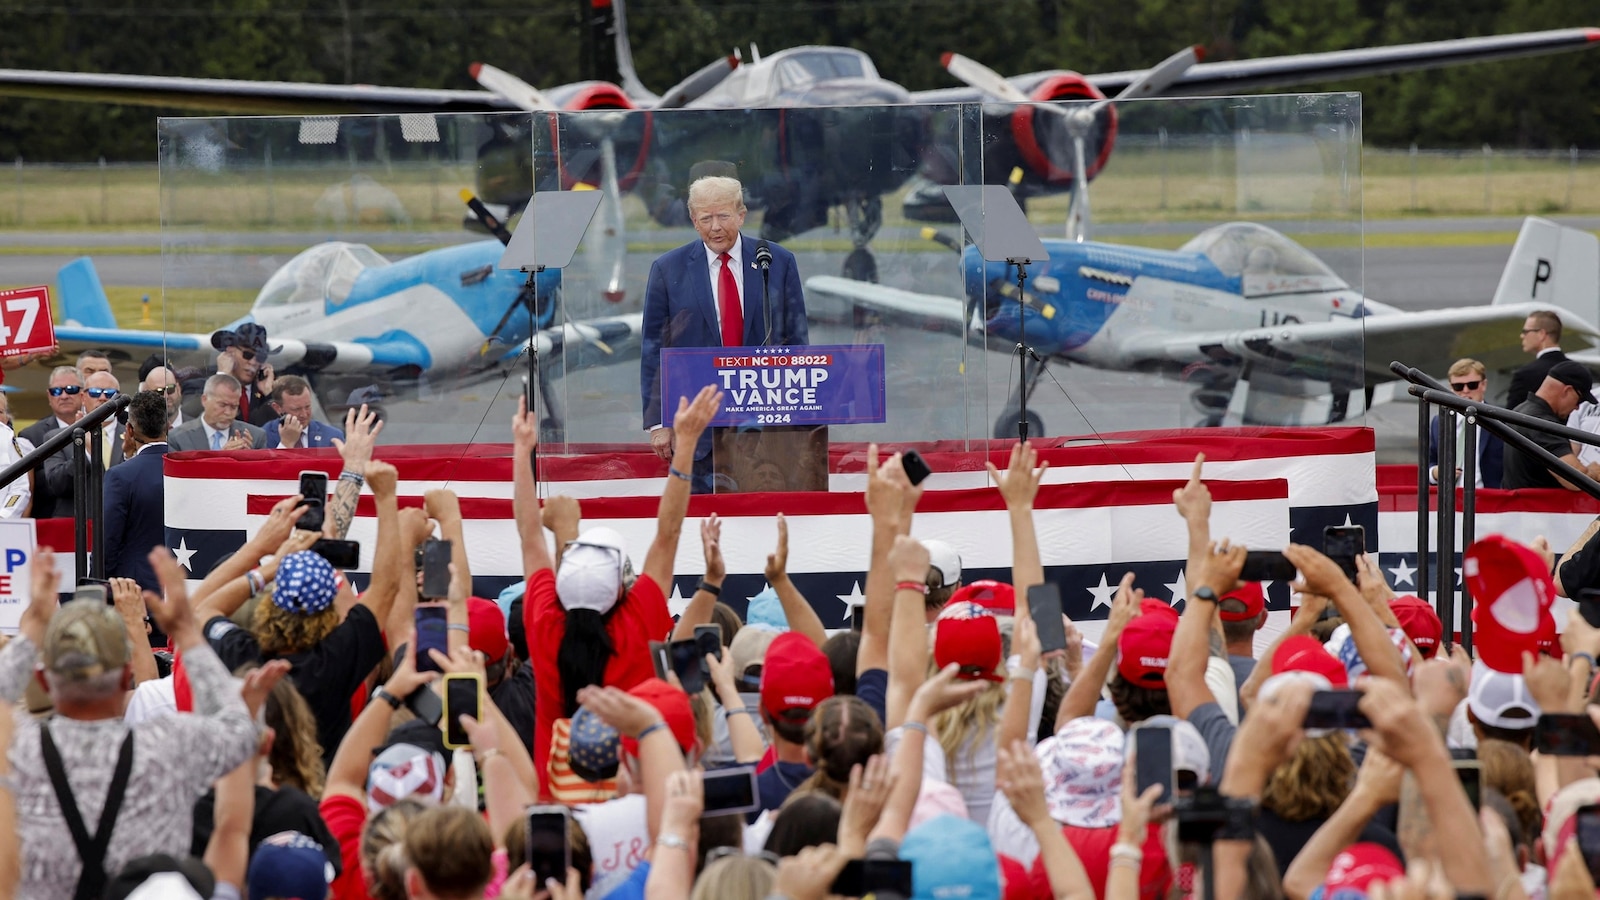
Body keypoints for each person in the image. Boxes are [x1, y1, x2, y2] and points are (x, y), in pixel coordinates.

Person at [0, 546, 264, 897]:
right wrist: (188, 635)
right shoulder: (168, 744)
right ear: (127, 673)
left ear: (46, 682)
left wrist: (31, 633)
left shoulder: (17, 748)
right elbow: (240, 729)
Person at [515, 385, 720, 800]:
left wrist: (522, 451)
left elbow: (529, 536)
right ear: (621, 588)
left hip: (557, 808)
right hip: (636, 800)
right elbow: (668, 534)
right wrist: (687, 448)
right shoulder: (639, 616)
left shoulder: (542, 622)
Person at [639, 175, 808, 491]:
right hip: (698, 431)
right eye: (706, 218)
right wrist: (658, 423)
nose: (715, 227)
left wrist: (796, 415)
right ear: (693, 220)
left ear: (741, 215)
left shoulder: (777, 262)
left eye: (723, 216)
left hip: (764, 428)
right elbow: (653, 348)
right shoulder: (668, 269)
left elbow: (796, 342)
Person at [102, 390, 170, 591]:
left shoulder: (120, 476)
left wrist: (98, 585)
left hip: (134, 589)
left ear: (129, 430)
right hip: (181, 585)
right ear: (167, 426)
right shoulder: (189, 470)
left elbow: (108, 541)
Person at [1502, 360, 1600, 490]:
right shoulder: (1543, 423)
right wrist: (1593, 472)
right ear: (1567, 391)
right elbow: (1575, 480)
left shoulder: (1520, 411)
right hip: (1537, 507)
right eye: (1579, 399)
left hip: (1518, 504)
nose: (1577, 407)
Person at [1428, 358, 1505, 488]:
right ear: (1450, 388)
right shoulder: (1439, 422)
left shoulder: (1501, 419)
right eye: (1458, 386)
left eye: (1472, 385)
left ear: (1484, 385)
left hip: (1489, 499)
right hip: (1450, 502)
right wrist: (1435, 473)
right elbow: (1429, 462)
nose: (1465, 391)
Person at [20, 365, 84, 517]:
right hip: (48, 521)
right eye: (56, 391)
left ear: (83, 394)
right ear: (49, 396)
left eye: (71, 389)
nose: (63, 396)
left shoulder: (98, 429)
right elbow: (27, 488)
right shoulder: (31, 435)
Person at [169, 373, 268, 452]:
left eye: (234, 407)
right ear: (204, 400)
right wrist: (222, 458)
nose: (228, 412)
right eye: (222, 405)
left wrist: (250, 459)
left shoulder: (256, 437)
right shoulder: (178, 438)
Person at [208, 323, 278, 426]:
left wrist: (269, 393)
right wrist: (223, 378)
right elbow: (207, 418)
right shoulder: (203, 386)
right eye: (247, 355)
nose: (253, 363)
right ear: (230, 352)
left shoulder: (265, 394)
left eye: (260, 357)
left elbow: (279, 429)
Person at [264, 375, 345, 449]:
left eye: (307, 407)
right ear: (278, 408)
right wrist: (286, 444)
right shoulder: (264, 436)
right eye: (296, 409)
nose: (304, 414)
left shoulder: (332, 436)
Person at [1507, 310, 1567, 409]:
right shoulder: (1578, 371)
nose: (1522, 336)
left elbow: (1509, 418)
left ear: (1541, 334)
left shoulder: (1525, 374)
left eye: (1525, 332)